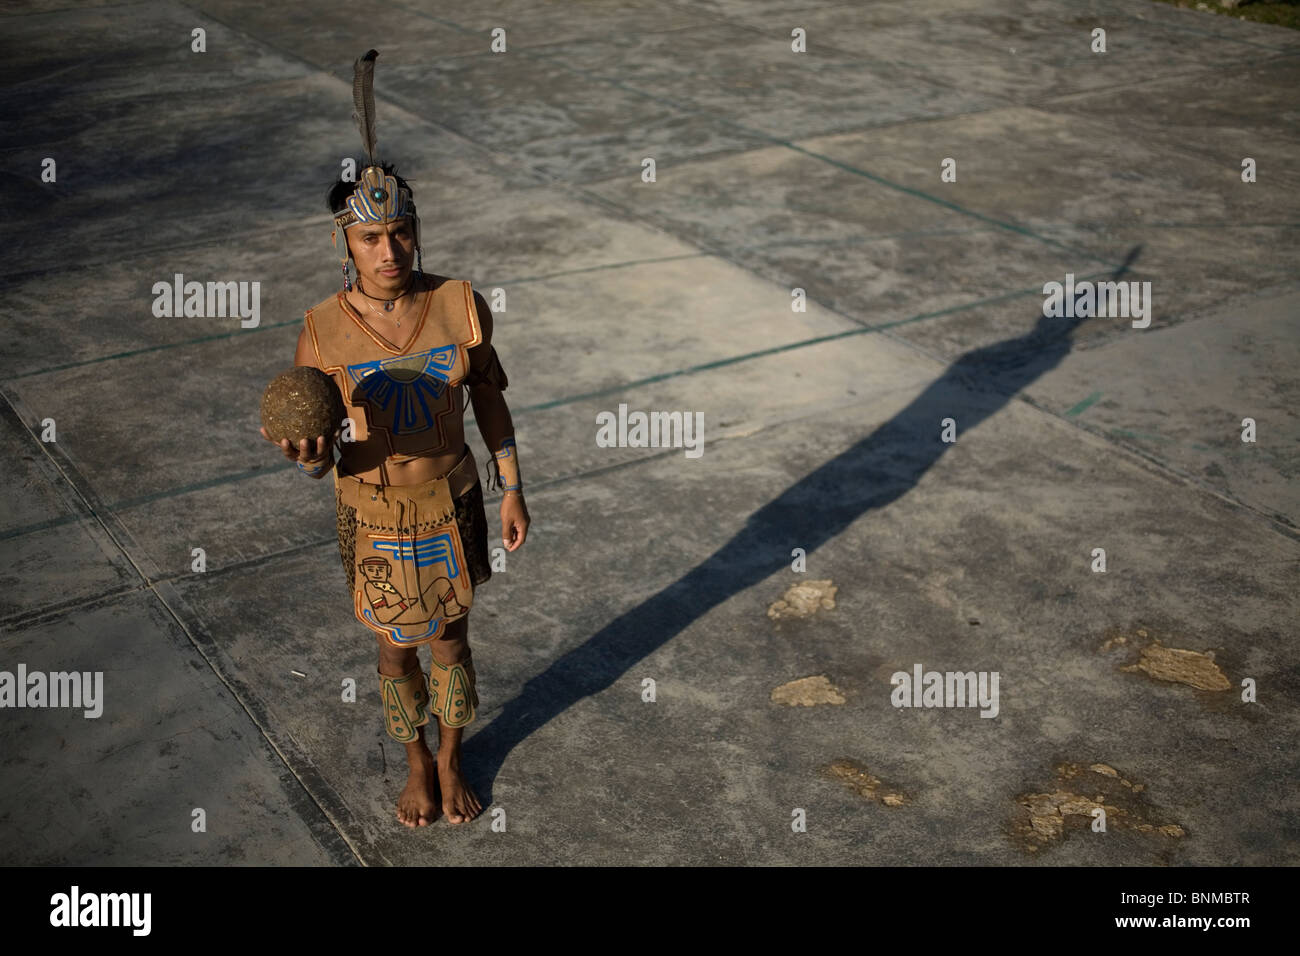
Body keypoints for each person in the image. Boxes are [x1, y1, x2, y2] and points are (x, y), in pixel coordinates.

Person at [259, 50, 529, 827]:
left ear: (416, 233)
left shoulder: (459, 303)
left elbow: (490, 402)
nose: (389, 252)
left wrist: (513, 486)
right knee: (392, 650)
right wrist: (309, 463)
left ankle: (450, 762)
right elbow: (319, 445)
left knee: (451, 643)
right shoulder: (320, 331)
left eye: (401, 233)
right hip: (372, 511)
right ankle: (413, 763)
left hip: (454, 501)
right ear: (345, 244)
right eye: (372, 238)